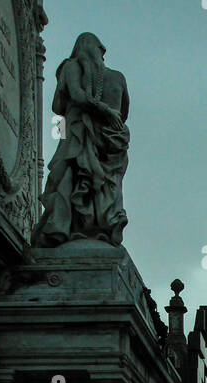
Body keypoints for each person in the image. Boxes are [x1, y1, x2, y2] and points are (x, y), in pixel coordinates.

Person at [32, 33, 130, 247]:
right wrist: (108, 112)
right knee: (105, 181)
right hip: (112, 136)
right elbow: (123, 112)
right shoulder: (118, 77)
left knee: (71, 174)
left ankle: (65, 227)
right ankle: (103, 224)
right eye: (101, 51)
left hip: (75, 129)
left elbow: (61, 104)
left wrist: (67, 93)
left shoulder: (71, 66)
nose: (102, 57)